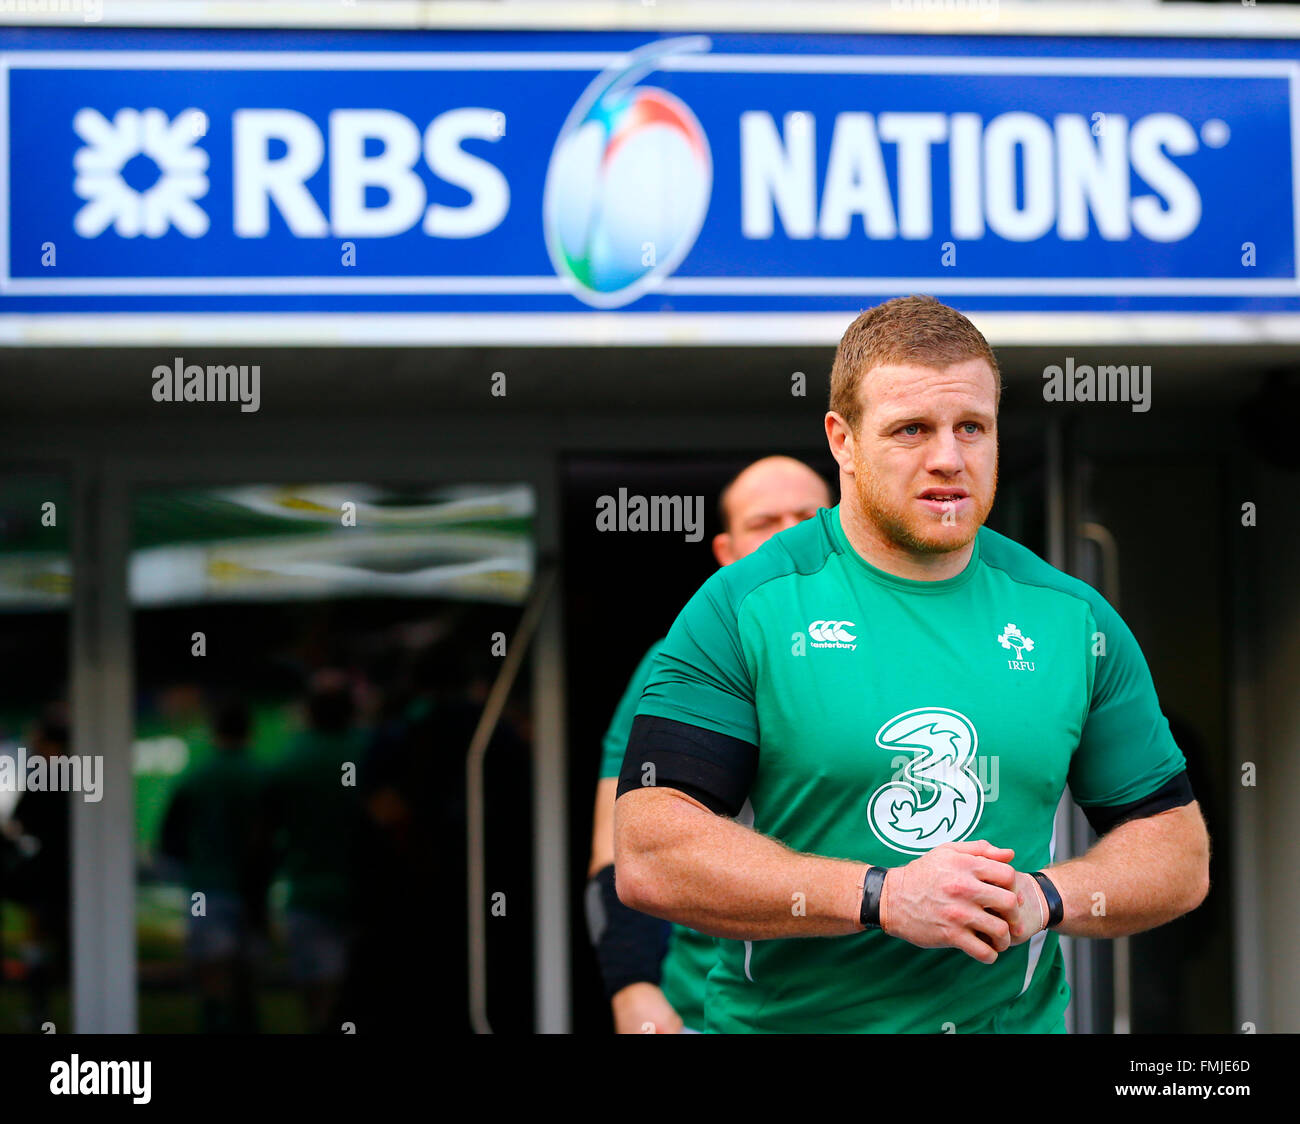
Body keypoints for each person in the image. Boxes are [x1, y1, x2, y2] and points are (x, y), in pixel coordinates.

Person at [614, 295, 1210, 1033]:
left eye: (972, 428)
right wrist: (879, 896)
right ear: (843, 440)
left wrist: (1045, 898)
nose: (948, 459)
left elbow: (1178, 852)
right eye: (911, 430)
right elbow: (649, 850)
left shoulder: (1071, 618)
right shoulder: (744, 606)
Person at [586, 456, 832, 1033]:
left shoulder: (914, 645)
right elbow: (619, 854)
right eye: (764, 522)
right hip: (712, 1013)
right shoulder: (676, 667)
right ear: (725, 553)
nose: (789, 535)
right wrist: (632, 989)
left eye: (808, 517)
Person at [159, 695, 270, 1033]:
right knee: (246, 973)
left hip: (205, 887)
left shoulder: (197, 777)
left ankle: (215, 1021)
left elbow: (169, 837)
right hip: (252, 888)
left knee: (211, 968)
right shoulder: (262, 776)